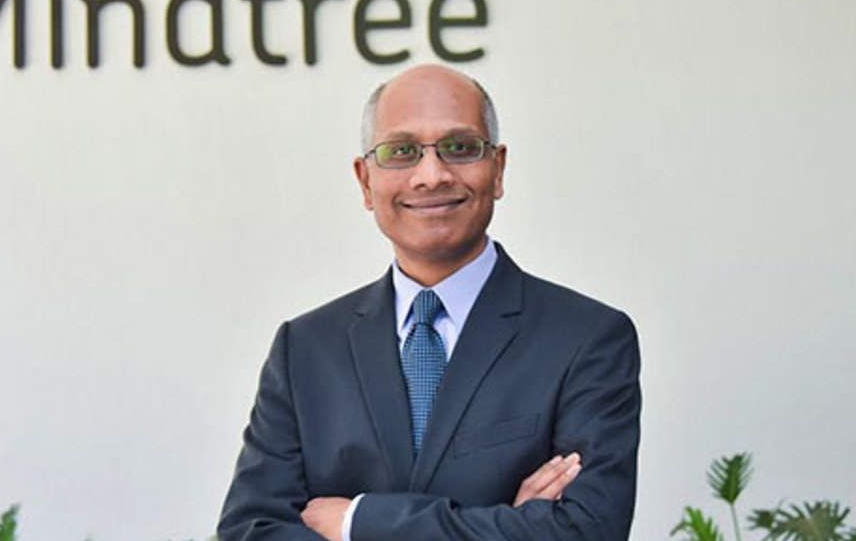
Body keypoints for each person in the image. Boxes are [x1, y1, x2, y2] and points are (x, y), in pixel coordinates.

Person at [216, 64, 641, 540]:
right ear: (365, 181)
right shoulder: (306, 349)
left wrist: (357, 523)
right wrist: (510, 526)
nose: (432, 175)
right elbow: (248, 532)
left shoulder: (585, 339)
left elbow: (583, 532)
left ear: (498, 170)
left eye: (460, 147)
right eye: (401, 152)